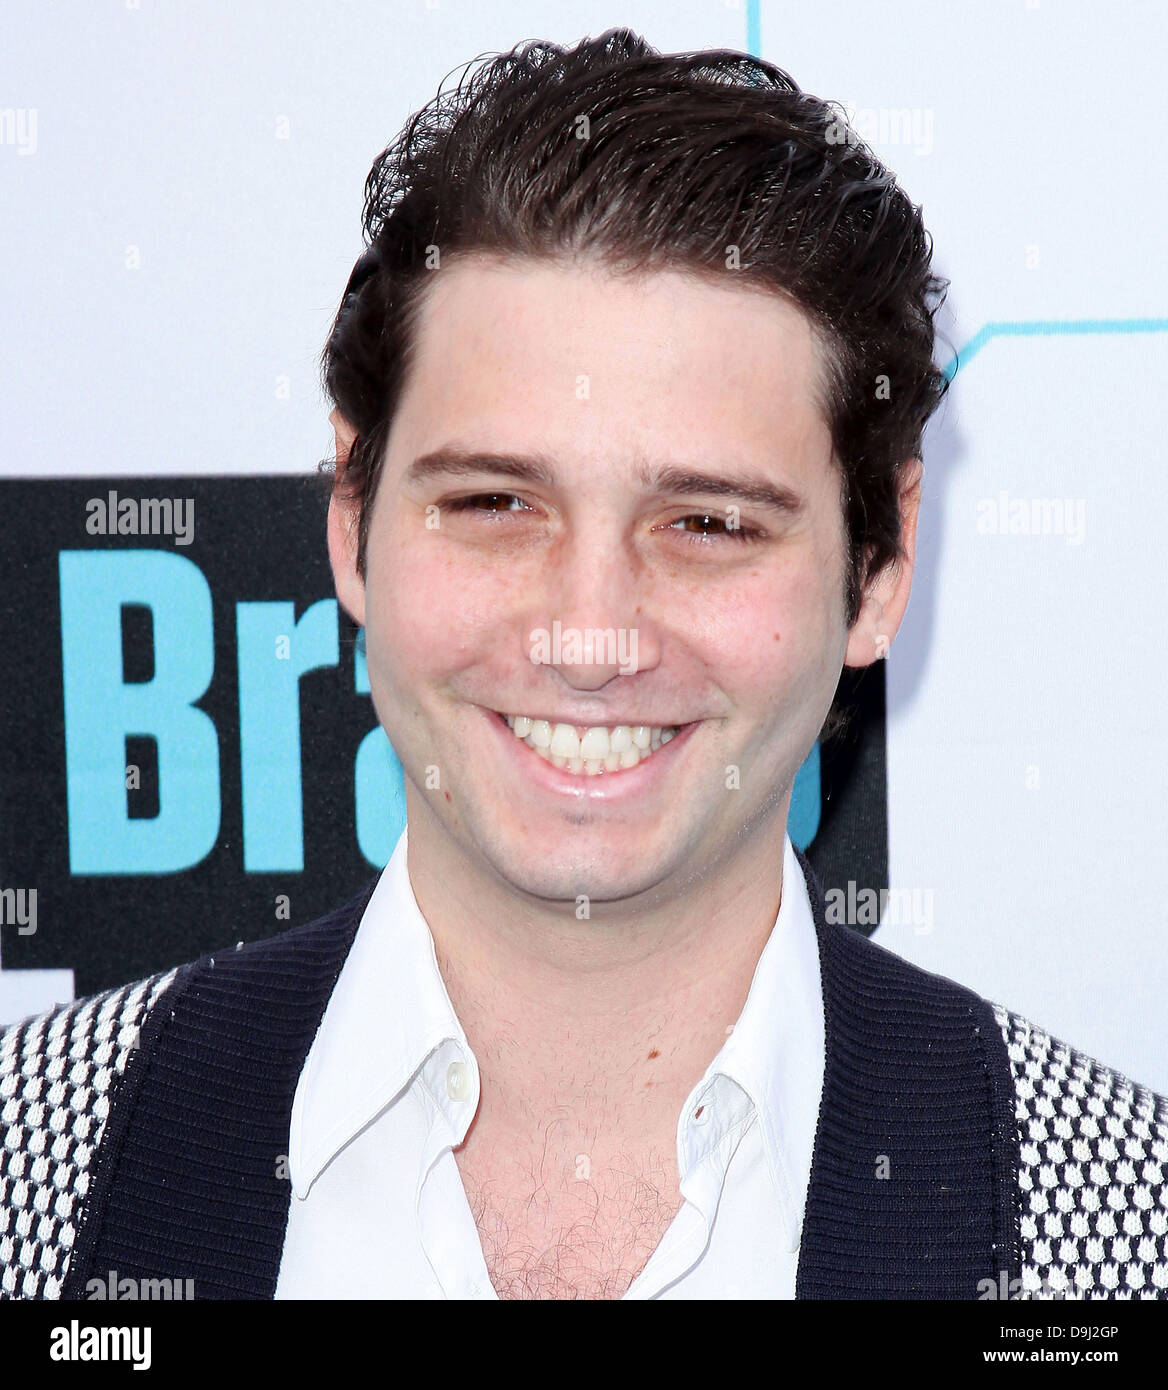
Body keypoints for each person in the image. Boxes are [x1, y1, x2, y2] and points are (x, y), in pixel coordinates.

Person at [2, 28, 1165, 1303]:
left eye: (708, 524)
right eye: (497, 502)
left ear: (877, 572)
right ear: (350, 518)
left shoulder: (1111, 1226)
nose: (589, 635)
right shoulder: (37, 1172)